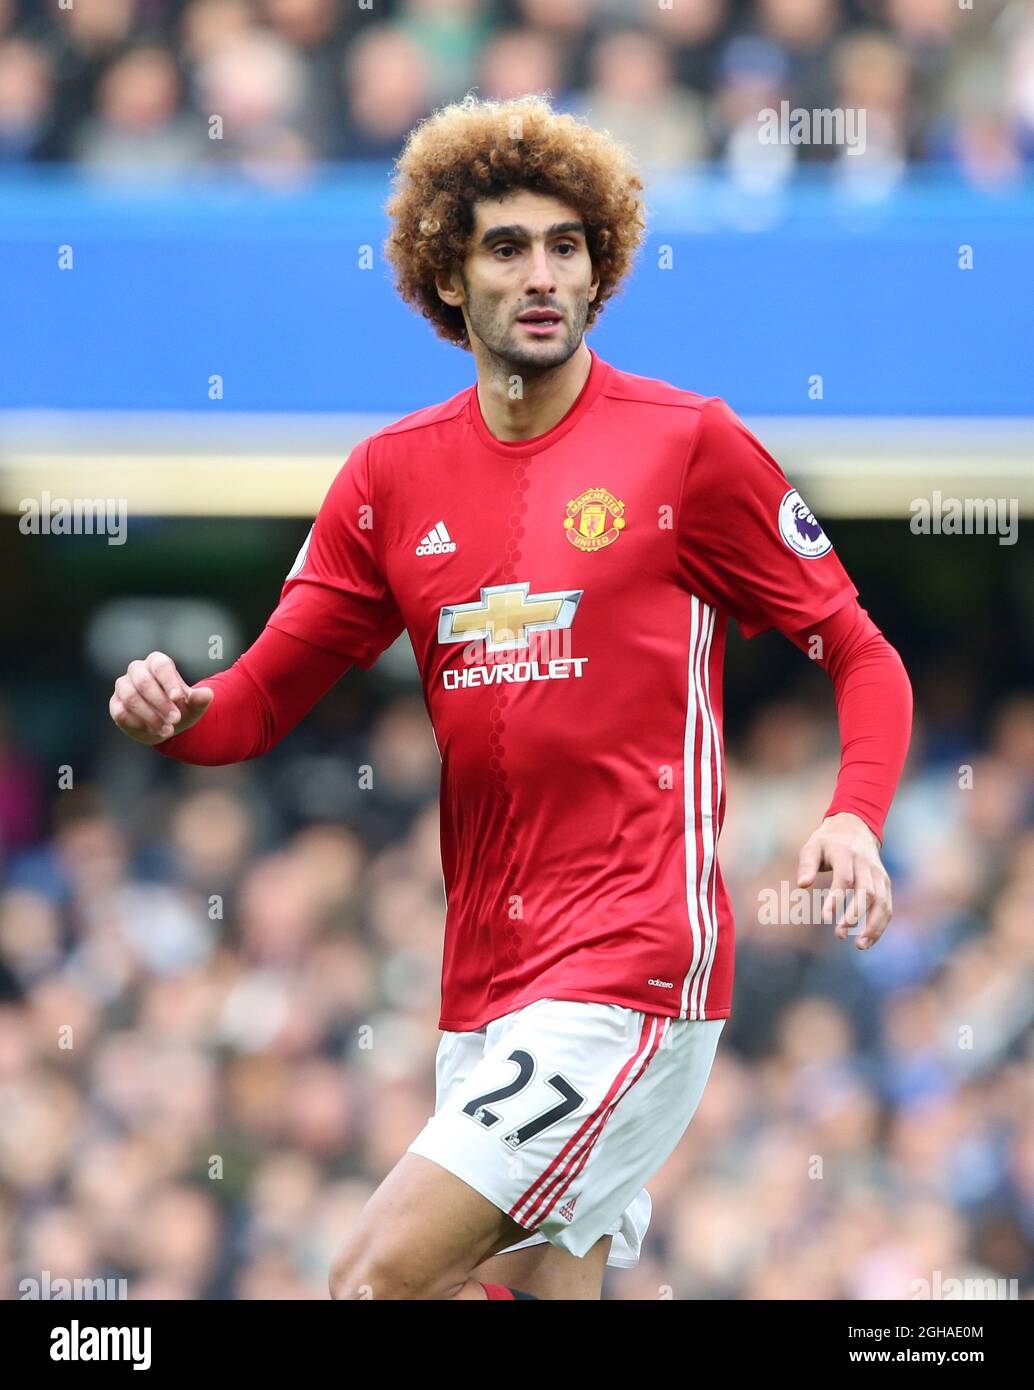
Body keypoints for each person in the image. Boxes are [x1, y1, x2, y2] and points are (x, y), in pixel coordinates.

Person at [109, 94, 913, 1301]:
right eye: (504, 246)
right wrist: (180, 714)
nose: (540, 274)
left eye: (565, 246)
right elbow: (258, 702)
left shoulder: (686, 444)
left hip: (633, 964)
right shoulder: (387, 477)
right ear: (447, 270)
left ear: (599, 271)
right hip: (483, 984)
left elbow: (858, 648)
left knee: (372, 1277)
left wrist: (852, 810)